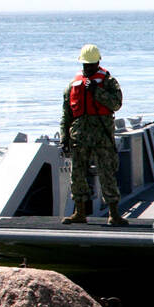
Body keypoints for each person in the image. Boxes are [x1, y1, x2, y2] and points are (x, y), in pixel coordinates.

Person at [60, 44, 127, 226]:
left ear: (98, 62)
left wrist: (96, 91)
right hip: (79, 137)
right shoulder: (73, 85)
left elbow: (116, 104)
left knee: (107, 173)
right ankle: (79, 212)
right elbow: (67, 114)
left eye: (91, 64)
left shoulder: (109, 82)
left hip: (102, 137)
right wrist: (64, 138)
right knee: (78, 174)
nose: (87, 68)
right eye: (85, 65)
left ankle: (114, 214)